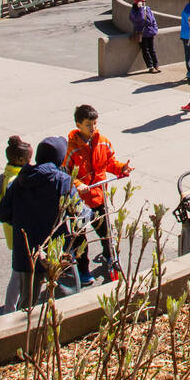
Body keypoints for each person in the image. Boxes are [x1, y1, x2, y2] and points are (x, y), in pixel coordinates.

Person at [0, 135, 79, 310]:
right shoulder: (62, 180)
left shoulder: (20, 180)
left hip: (25, 251)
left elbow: (2, 213)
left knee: (27, 302)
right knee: (65, 297)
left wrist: (21, 221)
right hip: (54, 249)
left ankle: (22, 334)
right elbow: (76, 210)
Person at [64, 104, 132, 286]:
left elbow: (109, 162)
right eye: (88, 124)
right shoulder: (71, 148)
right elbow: (66, 174)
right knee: (80, 237)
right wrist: (78, 185)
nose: (93, 127)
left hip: (98, 197)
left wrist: (121, 168)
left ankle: (110, 257)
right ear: (78, 124)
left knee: (105, 231)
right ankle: (83, 269)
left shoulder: (102, 141)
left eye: (94, 123)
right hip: (79, 202)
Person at [0, 136, 32, 309]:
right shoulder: (16, 181)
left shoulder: (5, 176)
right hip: (19, 232)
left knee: (20, 272)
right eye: (30, 159)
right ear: (21, 160)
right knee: (18, 273)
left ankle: (14, 305)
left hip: (11, 231)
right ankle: (10, 308)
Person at [128, 0, 160, 74]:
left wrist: (155, 29)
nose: (143, 3)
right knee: (145, 50)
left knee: (152, 49)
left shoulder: (148, 8)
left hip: (150, 32)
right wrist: (140, 9)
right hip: (141, 33)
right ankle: (150, 66)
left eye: (144, 1)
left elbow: (153, 19)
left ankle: (156, 65)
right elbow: (140, 19)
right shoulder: (134, 11)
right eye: (142, 1)